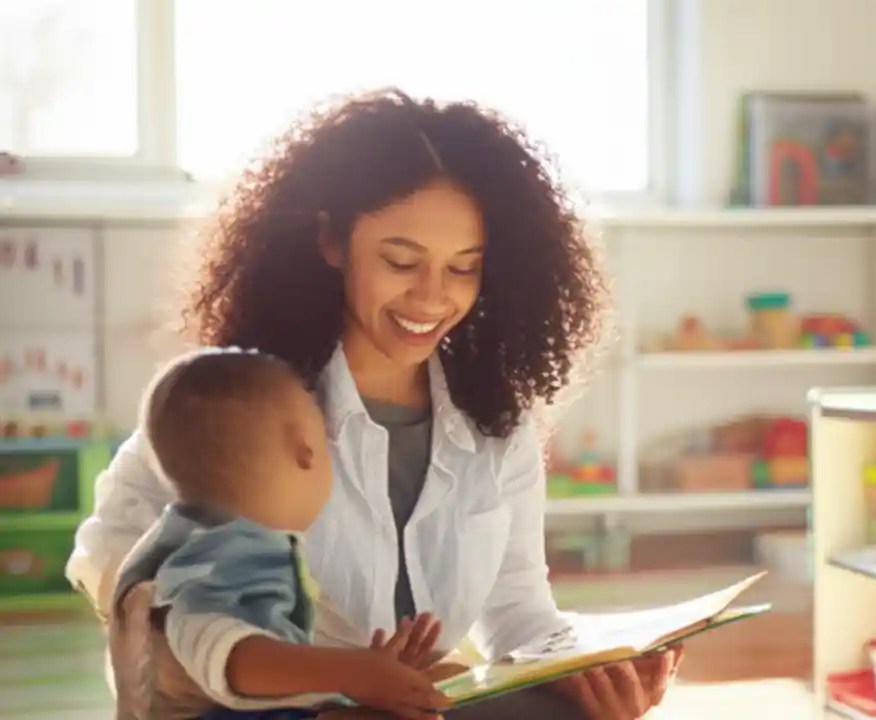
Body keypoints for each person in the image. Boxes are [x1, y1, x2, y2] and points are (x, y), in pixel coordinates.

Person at [68, 88, 680, 720]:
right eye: (400, 260)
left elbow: (518, 609)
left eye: (463, 268)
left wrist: (584, 670)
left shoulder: (496, 417)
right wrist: (306, 685)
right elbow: (112, 557)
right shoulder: (248, 403)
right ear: (332, 240)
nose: (431, 298)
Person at [110, 348, 449, 719]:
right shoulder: (231, 547)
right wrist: (353, 672)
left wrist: (369, 671)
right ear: (306, 453)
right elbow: (216, 646)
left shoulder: (181, 537)